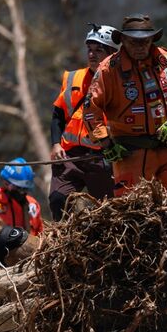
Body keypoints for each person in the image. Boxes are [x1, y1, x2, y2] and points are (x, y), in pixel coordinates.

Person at [84, 14, 167, 194]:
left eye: (145, 41)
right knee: (133, 207)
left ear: (152, 40)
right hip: (130, 154)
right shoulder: (109, 69)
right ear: (123, 41)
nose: (140, 47)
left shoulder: (166, 61)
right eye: (133, 42)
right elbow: (91, 109)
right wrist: (105, 142)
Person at [48, 24, 119, 218]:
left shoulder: (121, 84)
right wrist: (55, 144)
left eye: (98, 50)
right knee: (58, 201)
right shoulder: (73, 78)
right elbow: (57, 115)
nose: (92, 55)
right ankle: (64, 236)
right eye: (89, 49)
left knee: (110, 212)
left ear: (112, 54)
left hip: (102, 159)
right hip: (70, 156)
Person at [0, 158, 43, 238]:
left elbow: (40, 233)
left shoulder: (33, 204)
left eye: (25, 189)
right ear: (6, 183)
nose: (22, 192)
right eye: (19, 188)